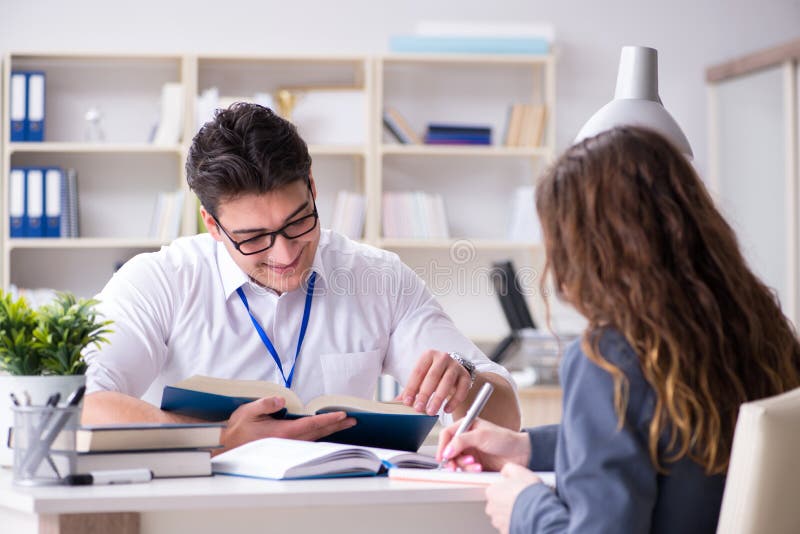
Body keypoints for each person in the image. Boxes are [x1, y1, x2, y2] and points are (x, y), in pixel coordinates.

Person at [82, 103, 520, 453]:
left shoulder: (378, 277)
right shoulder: (158, 282)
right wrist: (218, 438)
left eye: (298, 222)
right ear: (212, 225)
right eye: (253, 237)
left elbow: (506, 418)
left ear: (312, 186)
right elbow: (80, 404)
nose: (286, 253)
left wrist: (463, 384)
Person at [437, 126, 800, 533]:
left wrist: (525, 506)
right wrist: (527, 448)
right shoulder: (764, 334)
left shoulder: (610, 359)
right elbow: (663, 445)